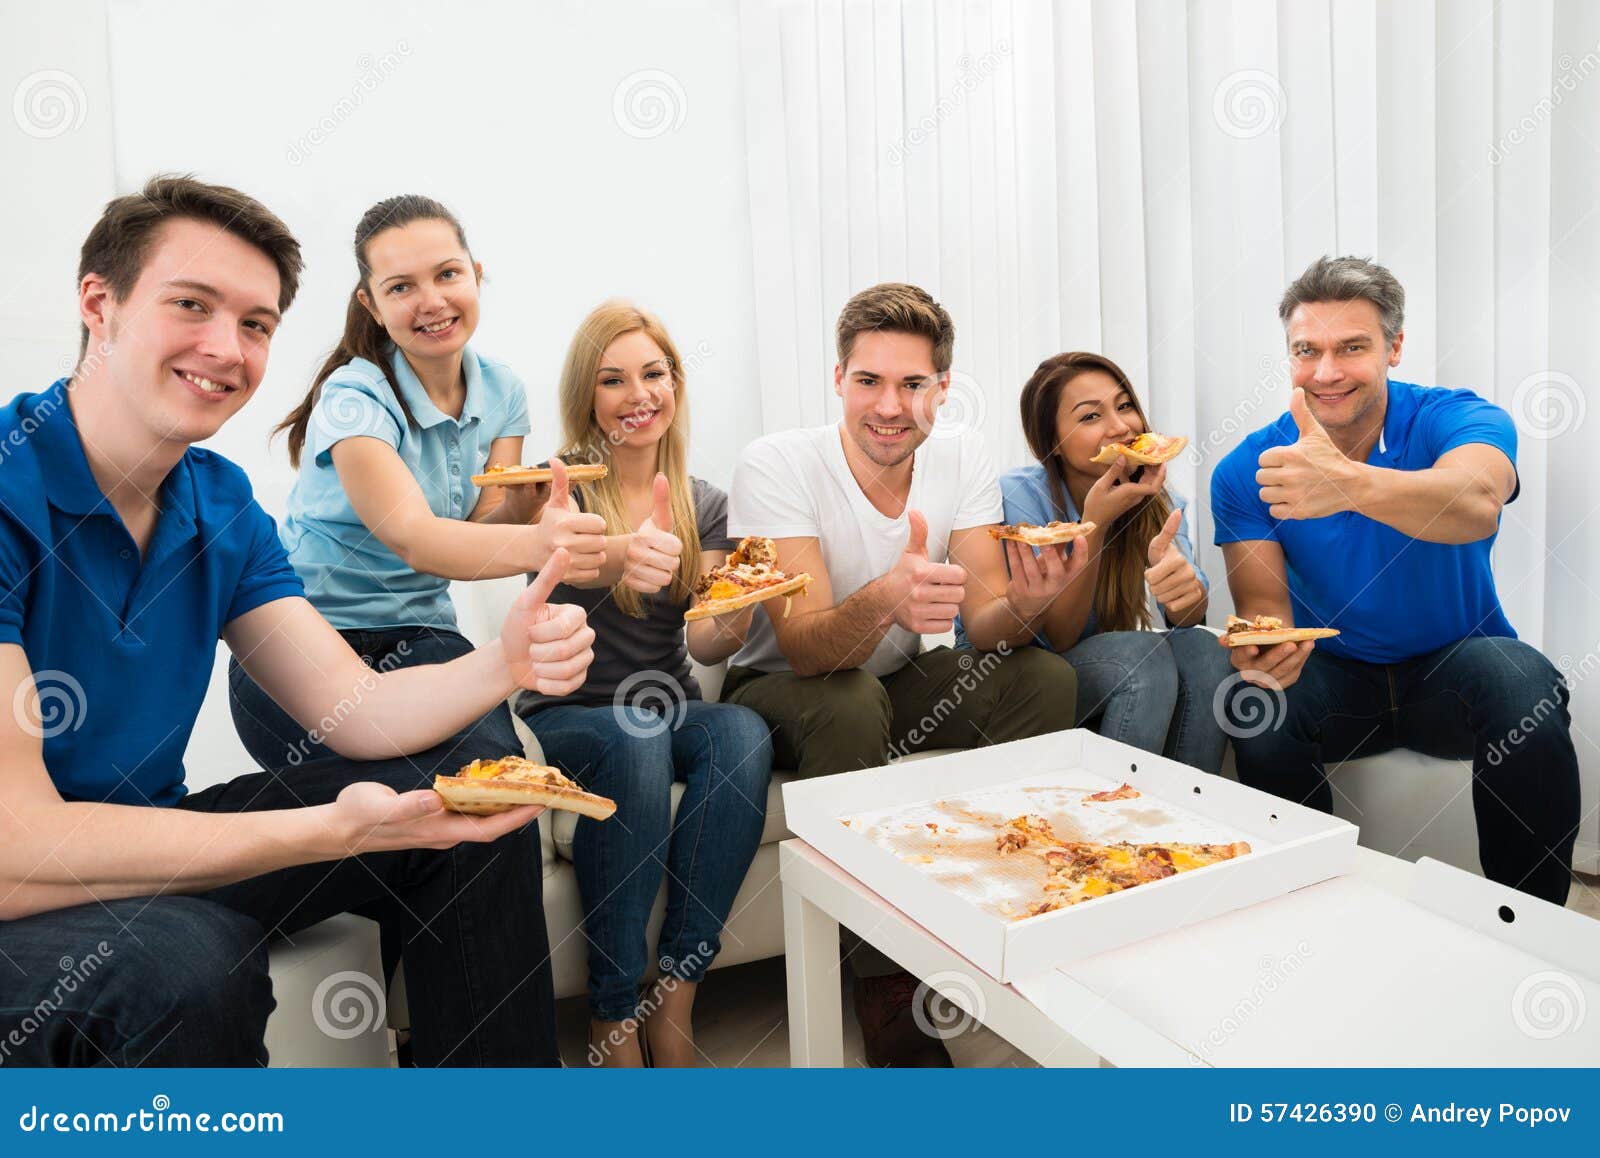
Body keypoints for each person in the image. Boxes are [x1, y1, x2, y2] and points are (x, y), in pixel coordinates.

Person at [0, 175, 596, 1067]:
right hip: (24, 886)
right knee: (193, 965)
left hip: (138, 862)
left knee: (465, 794)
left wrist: (503, 662)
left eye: (255, 323)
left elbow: (353, 707)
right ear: (101, 302)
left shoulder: (220, 505)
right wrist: (321, 830)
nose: (224, 347)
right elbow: (18, 843)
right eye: (191, 305)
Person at [722, 283, 1081, 1067]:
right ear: (838, 379)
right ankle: (886, 988)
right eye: (869, 382)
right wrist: (888, 594)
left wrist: (1027, 601)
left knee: (1046, 678)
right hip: (785, 689)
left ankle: (1009, 910)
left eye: (913, 385)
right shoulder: (777, 463)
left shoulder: (963, 455)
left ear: (943, 389)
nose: (890, 406)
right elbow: (811, 649)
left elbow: (987, 624)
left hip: (889, 688)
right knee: (850, 702)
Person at [1211, 255, 1579, 905]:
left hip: (1454, 671)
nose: (1326, 372)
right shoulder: (1247, 469)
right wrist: (1263, 649)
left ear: (1394, 347)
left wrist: (1346, 485)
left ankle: (1530, 923)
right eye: (1307, 350)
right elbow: (1266, 610)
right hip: (1336, 677)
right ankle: (1311, 903)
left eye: (1352, 347)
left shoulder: (1455, 418)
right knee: (1255, 706)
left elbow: (1476, 503)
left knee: (1526, 680)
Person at [230, 194, 606, 771]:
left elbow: (480, 530)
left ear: (476, 276)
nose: (432, 301)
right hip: (304, 639)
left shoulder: (503, 391)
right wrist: (545, 544)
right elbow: (414, 537)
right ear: (372, 304)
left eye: (448, 274)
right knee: (393, 805)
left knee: (492, 780)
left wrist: (521, 514)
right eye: (401, 287)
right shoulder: (354, 397)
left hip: (422, 630)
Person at [514, 301, 773, 1068]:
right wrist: (625, 552)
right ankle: (614, 1012)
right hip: (569, 715)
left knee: (739, 730)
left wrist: (736, 610)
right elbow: (547, 609)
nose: (639, 395)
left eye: (653, 374)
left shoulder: (710, 505)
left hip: (669, 705)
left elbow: (705, 637)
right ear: (586, 398)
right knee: (634, 737)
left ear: (675, 383)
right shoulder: (557, 497)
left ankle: (679, 990)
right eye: (614, 379)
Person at [957, 352, 1234, 772]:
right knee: (1139, 657)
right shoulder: (1016, 498)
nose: (1121, 426)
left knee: (1204, 649)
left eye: (1124, 406)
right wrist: (1095, 524)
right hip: (1016, 675)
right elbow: (1061, 638)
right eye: (1090, 417)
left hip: (1095, 669)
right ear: (1052, 441)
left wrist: (1183, 590)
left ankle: (1184, 818)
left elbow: (1187, 618)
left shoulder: (1159, 499)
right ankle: (1111, 816)